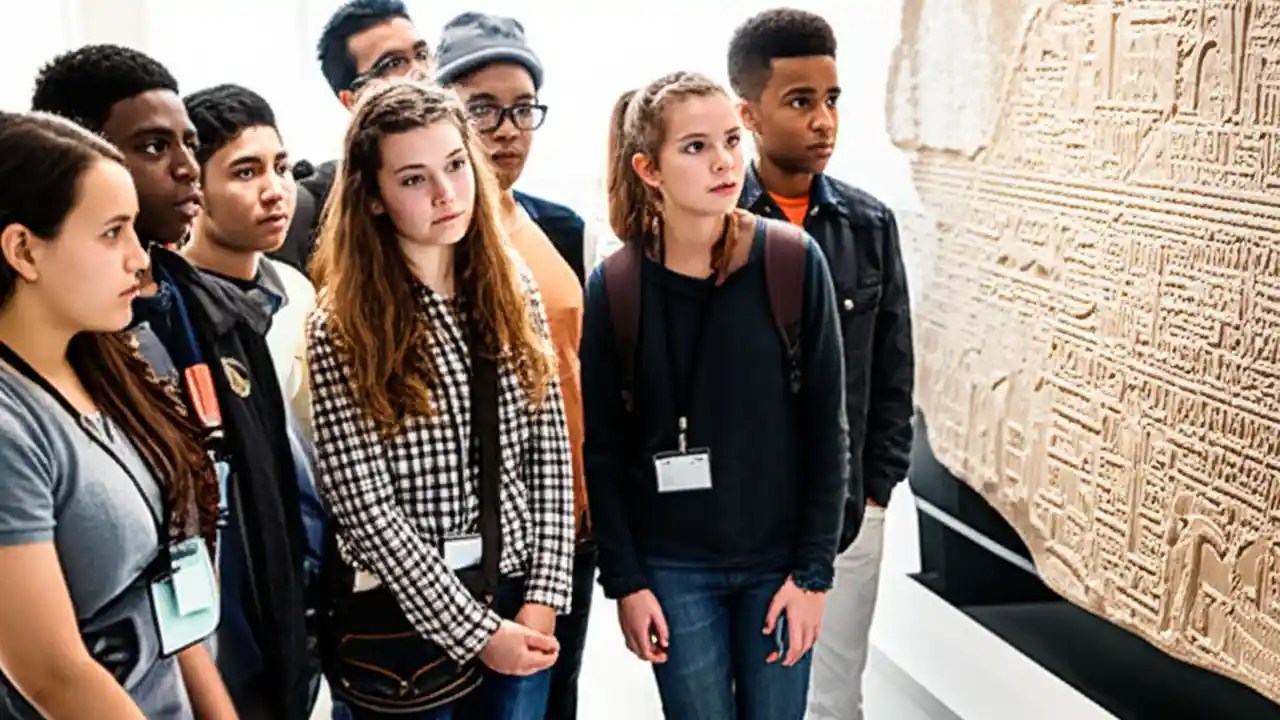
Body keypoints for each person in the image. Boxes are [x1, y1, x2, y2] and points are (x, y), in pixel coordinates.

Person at [31, 45, 315, 719]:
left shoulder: (217, 311)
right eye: (154, 147)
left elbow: (270, 495)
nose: (188, 168)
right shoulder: (62, 354)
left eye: (188, 142)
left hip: (250, 654)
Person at [583, 71, 849, 719]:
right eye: (696, 147)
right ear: (649, 168)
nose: (725, 161)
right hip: (673, 569)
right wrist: (627, 583)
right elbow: (605, 450)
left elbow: (827, 430)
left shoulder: (791, 261)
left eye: (731, 140)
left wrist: (813, 576)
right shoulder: (615, 285)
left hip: (778, 563)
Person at [307, 79, 575, 719]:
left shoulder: (511, 286)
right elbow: (364, 510)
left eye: (456, 165)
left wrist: (542, 595)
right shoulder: (342, 325)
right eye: (413, 179)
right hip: (407, 616)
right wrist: (479, 635)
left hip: (517, 591)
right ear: (372, 198)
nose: (446, 194)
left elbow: (551, 454)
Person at [0, 111, 234, 719]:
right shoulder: (10, 426)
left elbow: (166, 592)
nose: (140, 258)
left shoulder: (103, 362)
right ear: (24, 249)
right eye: (112, 233)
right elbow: (55, 674)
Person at [728, 11, 916, 720]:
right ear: (749, 112)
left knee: (834, 700)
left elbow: (894, 369)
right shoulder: (716, 228)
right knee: (754, 694)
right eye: (800, 101)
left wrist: (876, 493)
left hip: (846, 510)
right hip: (744, 513)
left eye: (832, 100)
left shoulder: (869, 225)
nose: (823, 121)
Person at [434, 13, 595, 719]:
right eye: (485, 109)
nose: (507, 129)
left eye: (523, 109)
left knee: (556, 699)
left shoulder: (559, 226)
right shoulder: (430, 236)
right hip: (473, 529)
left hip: (570, 520)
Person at [181, 82, 332, 715]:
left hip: (310, 580)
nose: (276, 189)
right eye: (245, 172)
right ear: (197, 188)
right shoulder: (176, 316)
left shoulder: (295, 288)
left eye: (280, 166)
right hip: (230, 603)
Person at [275, 0, 432, 272]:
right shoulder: (311, 211)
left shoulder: (469, 181)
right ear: (351, 99)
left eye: (422, 55)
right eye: (393, 63)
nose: (421, 73)